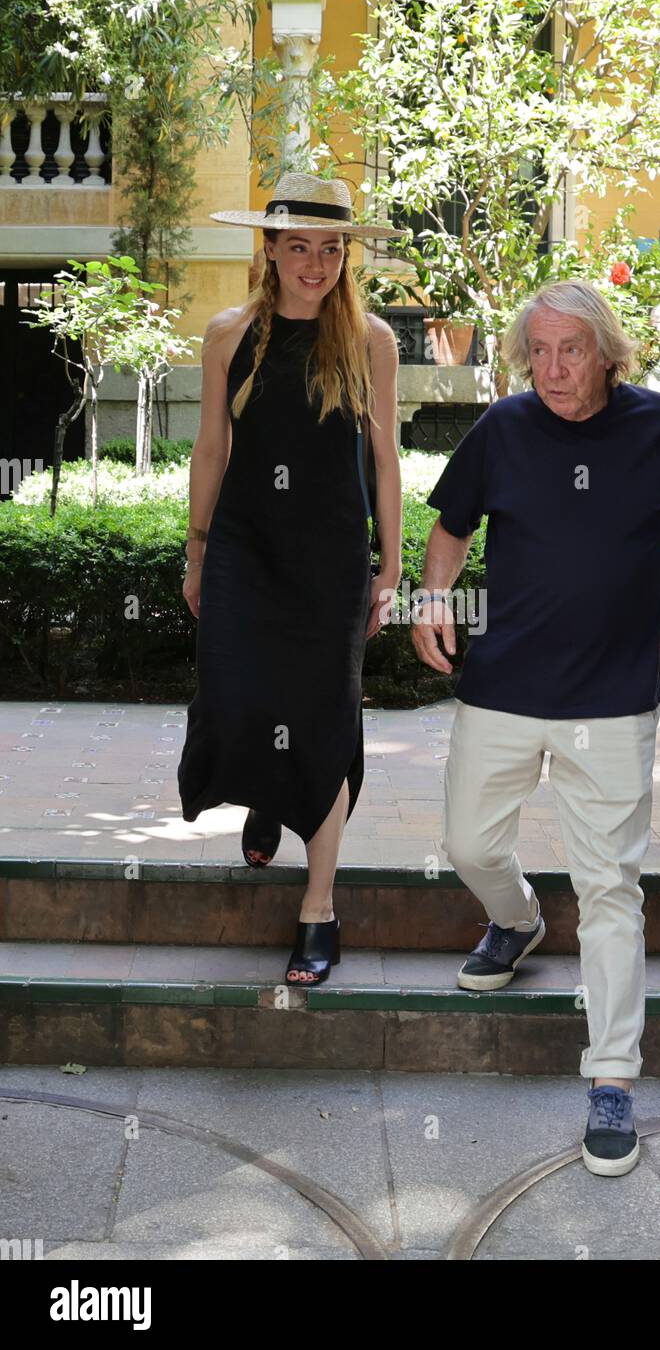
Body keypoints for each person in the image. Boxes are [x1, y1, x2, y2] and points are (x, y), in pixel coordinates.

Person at [411, 279, 660, 1178]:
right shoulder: (501, 429)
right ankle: (514, 920)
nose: (550, 369)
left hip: (613, 700)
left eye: (570, 351)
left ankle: (613, 1078)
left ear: (607, 353)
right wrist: (435, 594)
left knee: (612, 889)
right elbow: (451, 525)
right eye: (537, 352)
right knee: (468, 841)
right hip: (504, 684)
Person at [177, 172, 404, 986]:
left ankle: (319, 905)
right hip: (245, 548)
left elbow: (384, 461)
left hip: (332, 559)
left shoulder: (371, 339)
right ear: (269, 249)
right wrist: (198, 549)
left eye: (331, 248)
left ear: (347, 255)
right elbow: (211, 448)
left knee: (323, 715)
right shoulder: (228, 333)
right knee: (236, 696)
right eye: (299, 246)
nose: (316, 263)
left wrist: (393, 564)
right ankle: (265, 792)